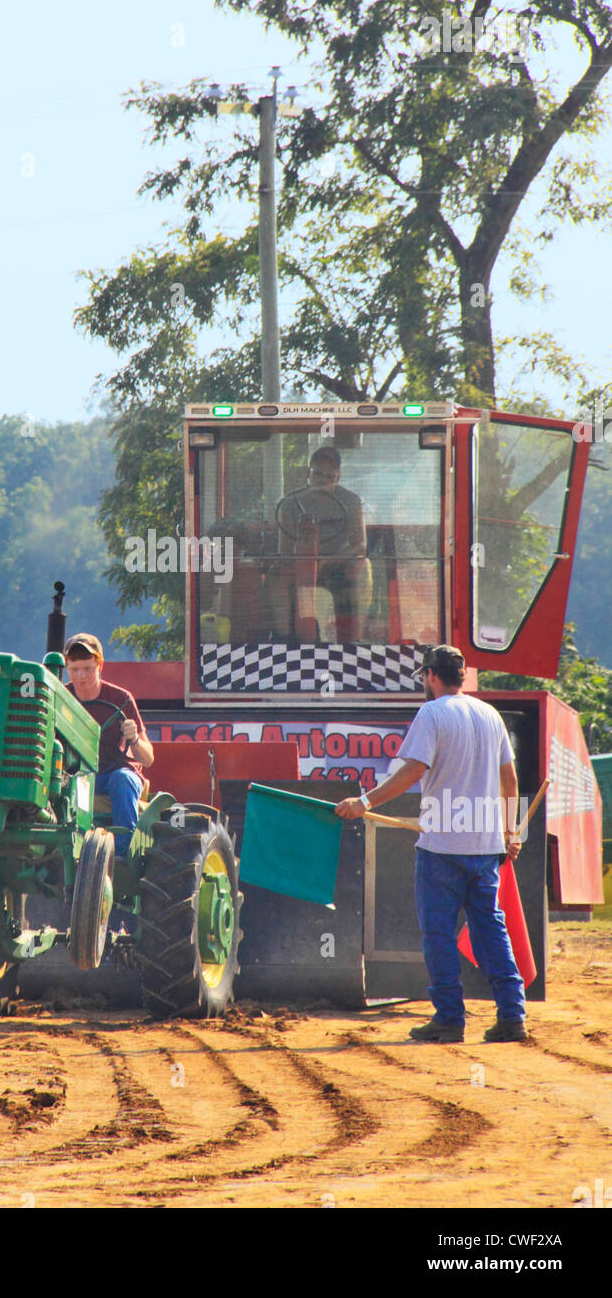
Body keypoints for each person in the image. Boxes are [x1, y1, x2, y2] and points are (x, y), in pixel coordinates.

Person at [335, 643, 526, 1043]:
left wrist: (364, 801)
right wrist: (511, 832)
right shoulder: (490, 715)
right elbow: (509, 779)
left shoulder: (432, 713)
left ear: (431, 675)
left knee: (438, 934)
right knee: (491, 929)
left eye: (423, 676)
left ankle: (449, 1019)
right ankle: (512, 1015)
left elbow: (413, 771)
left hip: (441, 847)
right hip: (485, 845)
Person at [63, 632, 154, 852]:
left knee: (121, 779)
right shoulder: (62, 698)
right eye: (74, 670)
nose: (81, 676)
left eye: (87, 669)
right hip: (80, 776)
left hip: (116, 775)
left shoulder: (121, 698)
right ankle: (63, 852)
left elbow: (148, 758)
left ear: (100, 665)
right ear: (66, 667)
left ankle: (123, 854)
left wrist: (134, 739)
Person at [276, 446, 373, 643]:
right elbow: (283, 550)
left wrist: (327, 561)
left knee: (363, 565)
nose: (323, 480)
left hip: (340, 567)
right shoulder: (289, 503)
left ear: (338, 477)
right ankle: (282, 637)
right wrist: (302, 564)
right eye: (318, 474)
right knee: (275, 575)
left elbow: (360, 545)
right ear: (308, 474)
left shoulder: (352, 502)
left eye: (330, 475)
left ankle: (354, 637)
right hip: (300, 566)